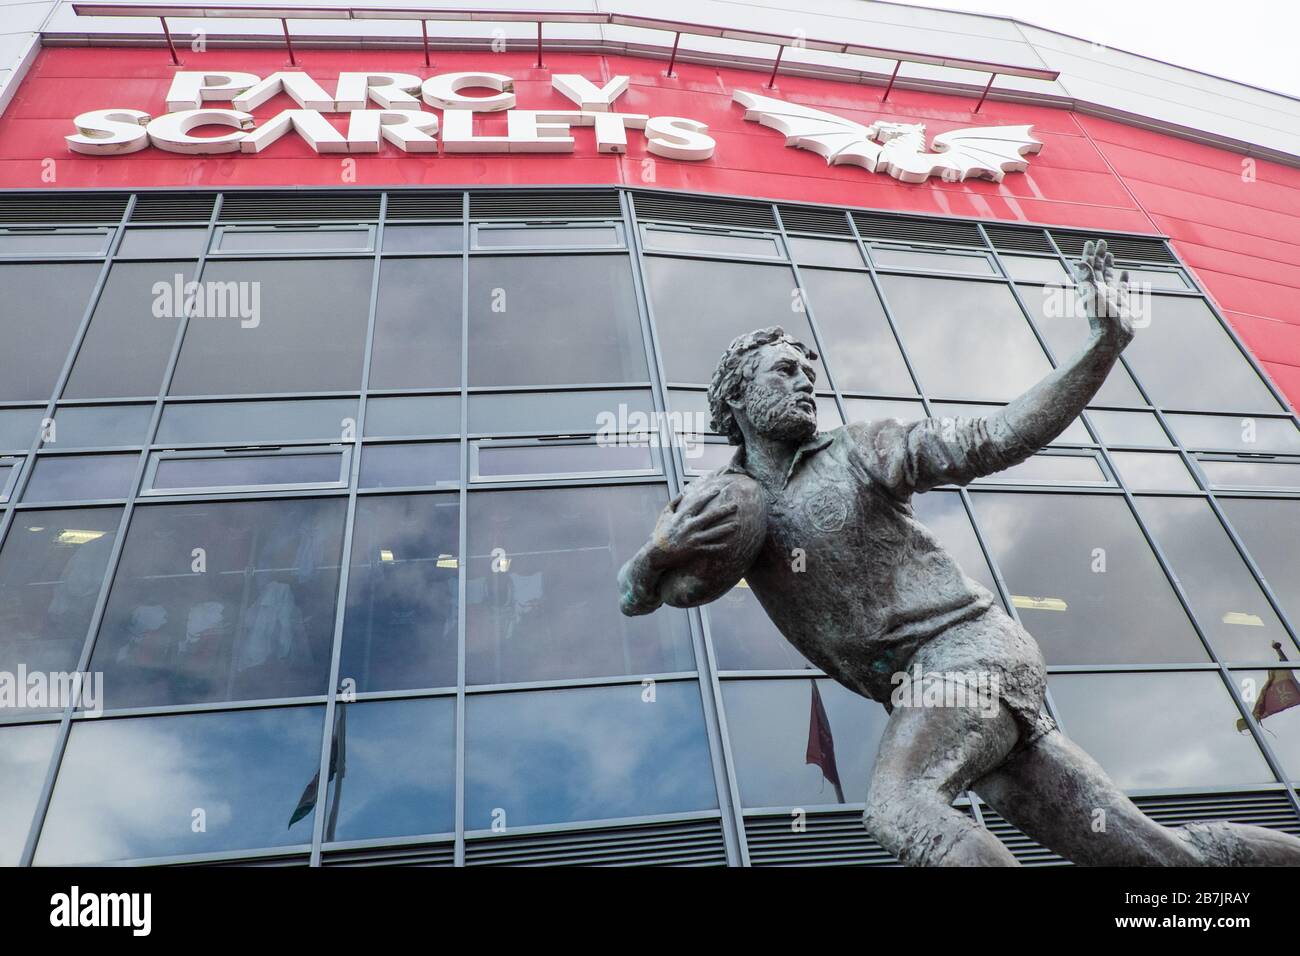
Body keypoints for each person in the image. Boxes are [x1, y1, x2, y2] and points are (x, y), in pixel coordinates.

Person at [619, 240, 1300, 866]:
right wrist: (655, 555)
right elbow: (651, 594)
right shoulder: (725, 504)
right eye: (784, 372)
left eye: (809, 371)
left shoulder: (860, 449)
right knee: (1164, 864)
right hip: (936, 693)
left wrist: (1101, 346)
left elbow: (994, 436)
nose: (805, 382)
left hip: (969, 653)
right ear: (737, 394)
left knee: (900, 806)